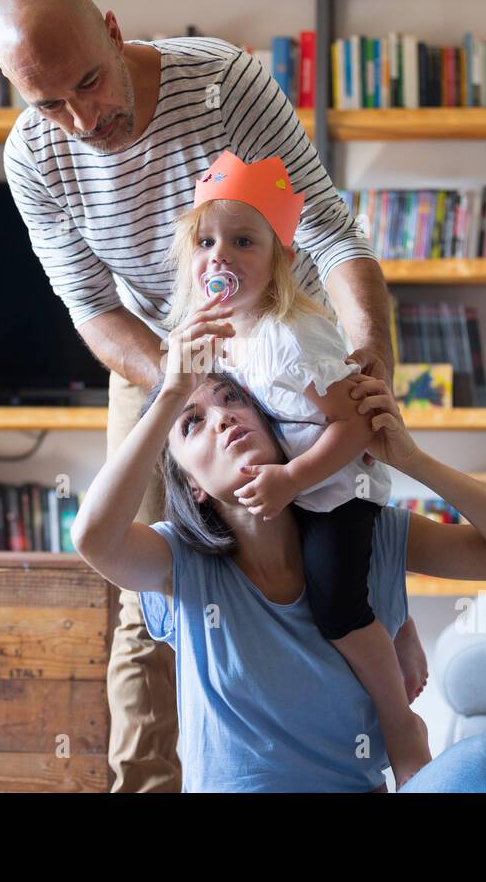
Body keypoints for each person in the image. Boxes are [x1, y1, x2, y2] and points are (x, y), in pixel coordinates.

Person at [0, 0, 397, 792]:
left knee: (324, 542)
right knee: (150, 595)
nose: (82, 121)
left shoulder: (223, 80)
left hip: (281, 330)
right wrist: (188, 391)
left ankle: (336, 759)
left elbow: (324, 222)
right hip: (156, 350)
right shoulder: (34, 157)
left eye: (90, 84)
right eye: (50, 105)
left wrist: (369, 353)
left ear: (113, 29)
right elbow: (93, 307)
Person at [68, 303, 486, 790]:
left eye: (232, 399)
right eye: (191, 422)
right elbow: (94, 537)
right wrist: (171, 392)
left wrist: (415, 461)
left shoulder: (370, 536)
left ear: (276, 424)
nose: (221, 418)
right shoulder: (179, 562)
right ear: (191, 484)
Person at [163, 148, 430, 785]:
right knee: (330, 580)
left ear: (280, 260)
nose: (220, 256)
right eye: (206, 241)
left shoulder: (288, 336)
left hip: (338, 488)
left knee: (337, 604)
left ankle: (399, 721)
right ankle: (397, 636)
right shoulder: (236, 336)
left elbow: (354, 425)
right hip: (307, 490)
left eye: (244, 241)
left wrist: (288, 480)